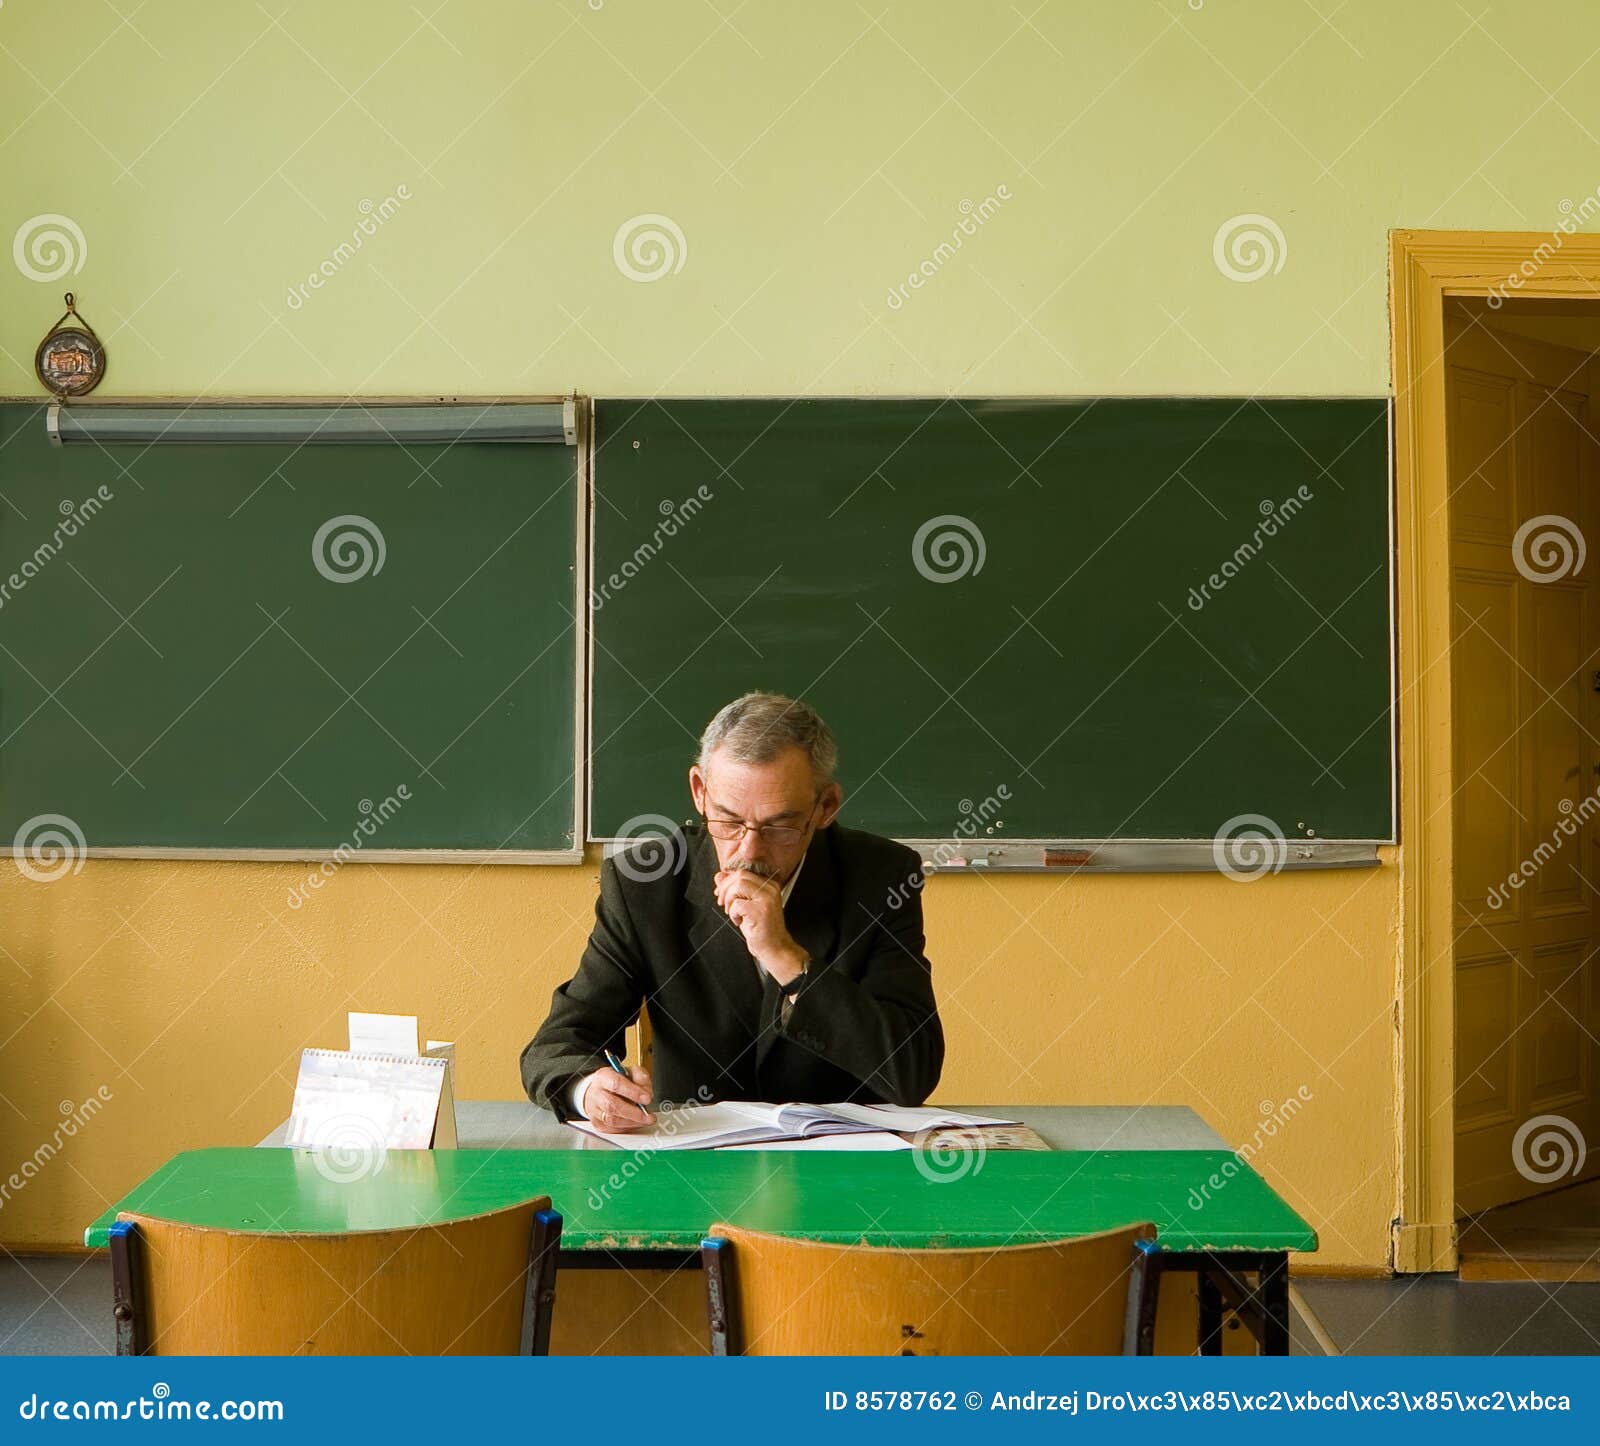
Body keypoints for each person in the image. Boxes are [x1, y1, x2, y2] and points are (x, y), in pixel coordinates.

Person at [519, 691, 944, 1131]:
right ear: (700, 792)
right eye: (728, 821)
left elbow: (911, 1073)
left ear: (825, 807)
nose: (749, 851)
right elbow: (555, 1046)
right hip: (694, 1157)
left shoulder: (882, 878)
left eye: (779, 825)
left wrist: (787, 958)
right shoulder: (644, 885)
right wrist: (588, 1089)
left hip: (840, 1158)